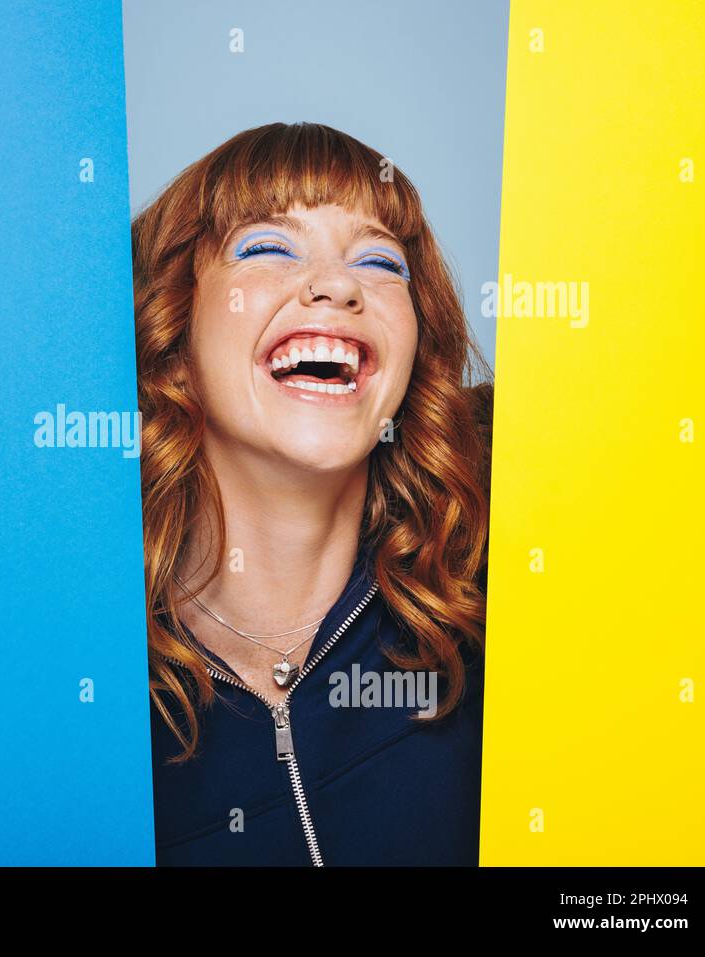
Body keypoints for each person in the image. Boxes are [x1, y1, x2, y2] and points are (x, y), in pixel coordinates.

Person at [133, 122, 492, 866]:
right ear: (173, 324)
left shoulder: (497, 584)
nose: (337, 284)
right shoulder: (87, 681)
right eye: (268, 246)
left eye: (379, 260)